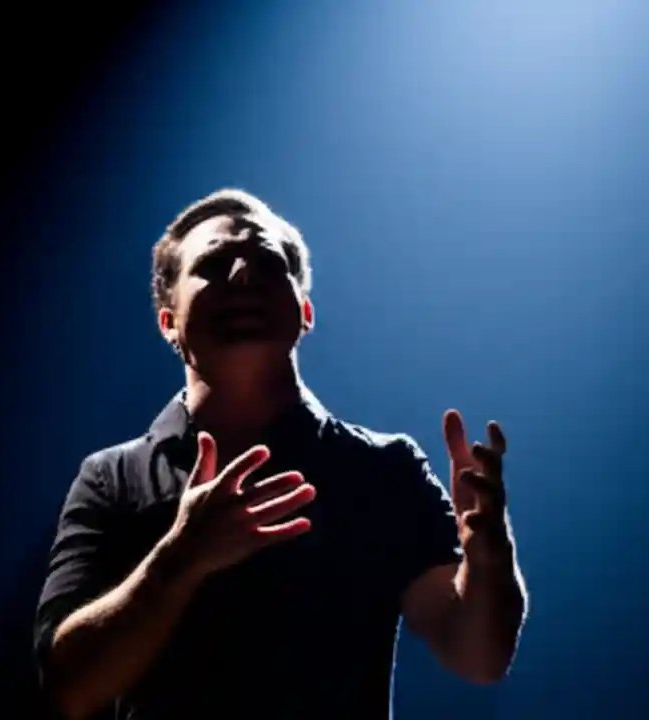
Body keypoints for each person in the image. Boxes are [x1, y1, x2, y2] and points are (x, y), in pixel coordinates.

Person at [34, 189, 528, 719]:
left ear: (305, 311)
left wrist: (491, 555)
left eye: (267, 263)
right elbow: (69, 685)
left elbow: (480, 658)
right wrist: (180, 558)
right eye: (213, 264)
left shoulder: (383, 470)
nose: (244, 274)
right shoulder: (111, 479)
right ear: (168, 322)